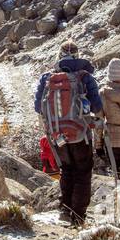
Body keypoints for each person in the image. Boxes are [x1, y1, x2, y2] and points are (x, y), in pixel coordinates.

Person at [34, 42, 103, 224]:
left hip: (57, 134)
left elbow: (37, 106)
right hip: (81, 133)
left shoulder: (47, 78)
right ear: (77, 55)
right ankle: (79, 215)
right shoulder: (84, 76)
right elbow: (97, 105)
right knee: (83, 171)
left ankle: (65, 209)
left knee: (66, 169)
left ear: (59, 55)